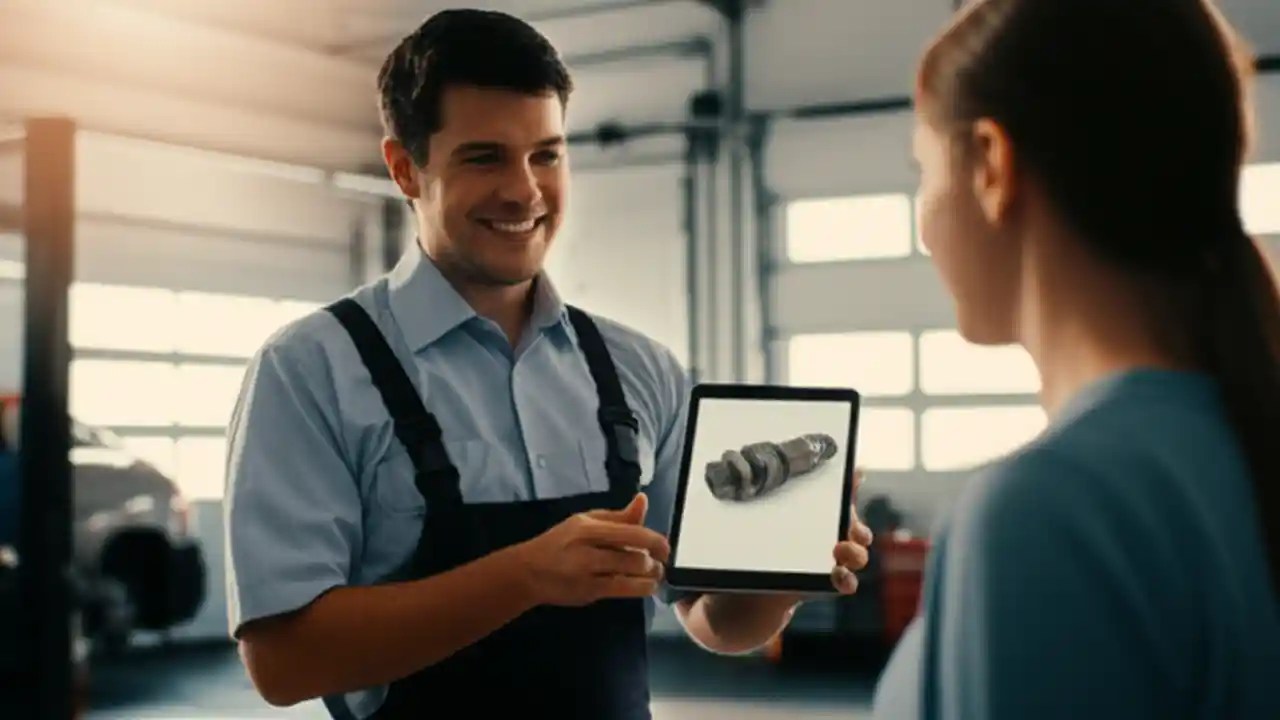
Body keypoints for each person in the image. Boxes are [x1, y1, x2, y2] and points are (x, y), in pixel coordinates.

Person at [223, 9, 872, 720]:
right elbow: (284, 661)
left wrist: (786, 569)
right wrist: (525, 575)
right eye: (484, 157)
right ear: (406, 168)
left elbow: (713, 621)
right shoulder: (310, 370)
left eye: (546, 154)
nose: (525, 190)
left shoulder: (640, 370)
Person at [873, 0, 1280, 717]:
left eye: (923, 170)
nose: (924, 222)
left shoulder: (1048, 510)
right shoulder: (1234, 446)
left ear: (992, 164)